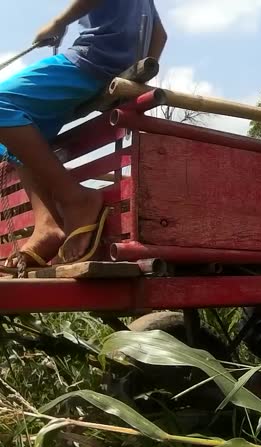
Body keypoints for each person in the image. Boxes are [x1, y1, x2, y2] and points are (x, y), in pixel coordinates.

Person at [1, 0, 167, 269]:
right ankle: (46, 225)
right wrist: (138, 77)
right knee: (22, 131)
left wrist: (59, 22)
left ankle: (75, 199)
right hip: (108, 64)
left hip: (92, 58)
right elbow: (160, 35)